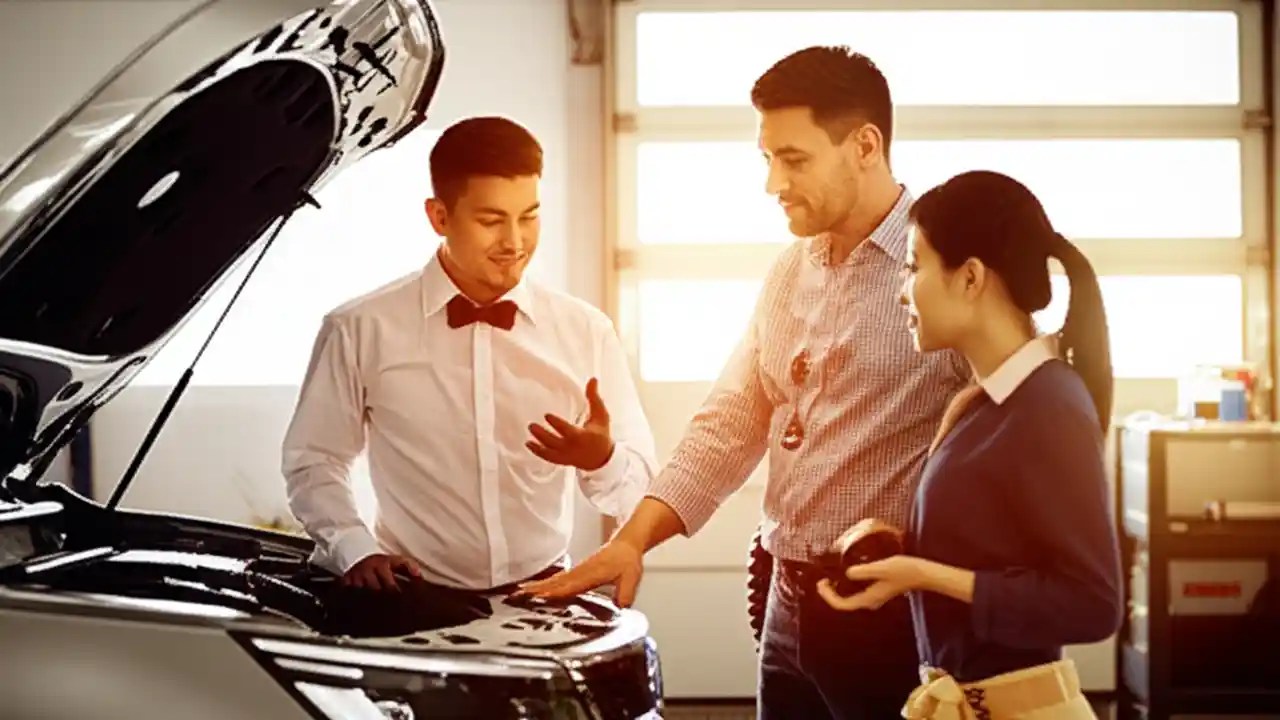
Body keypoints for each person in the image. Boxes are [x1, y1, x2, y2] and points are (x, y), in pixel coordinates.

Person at [519, 47, 971, 718]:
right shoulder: (790, 271)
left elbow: (1014, 429)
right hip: (787, 606)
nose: (773, 184)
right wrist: (631, 539)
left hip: (890, 613)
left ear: (866, 146)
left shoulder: (945, 266)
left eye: (794, 159)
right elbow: (728, 426)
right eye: (767, 160)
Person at [281, 116, 657, 612]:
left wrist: (601, 459)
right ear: (439, 217)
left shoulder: (587, 332)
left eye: (529, 216)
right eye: (491, 220)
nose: (515, 242)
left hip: (544, 601)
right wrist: (354, 549)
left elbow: (641, 490)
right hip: (408, 603)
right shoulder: (358, 329)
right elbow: (314, 460)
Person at [817, 170, 1124, 718]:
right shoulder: (981, 403)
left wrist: (925, 575)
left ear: (971, 277)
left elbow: (1093, 605)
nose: (902, 290)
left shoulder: (1050, 406)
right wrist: (902, 548)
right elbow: (999, 547)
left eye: (914, 267)